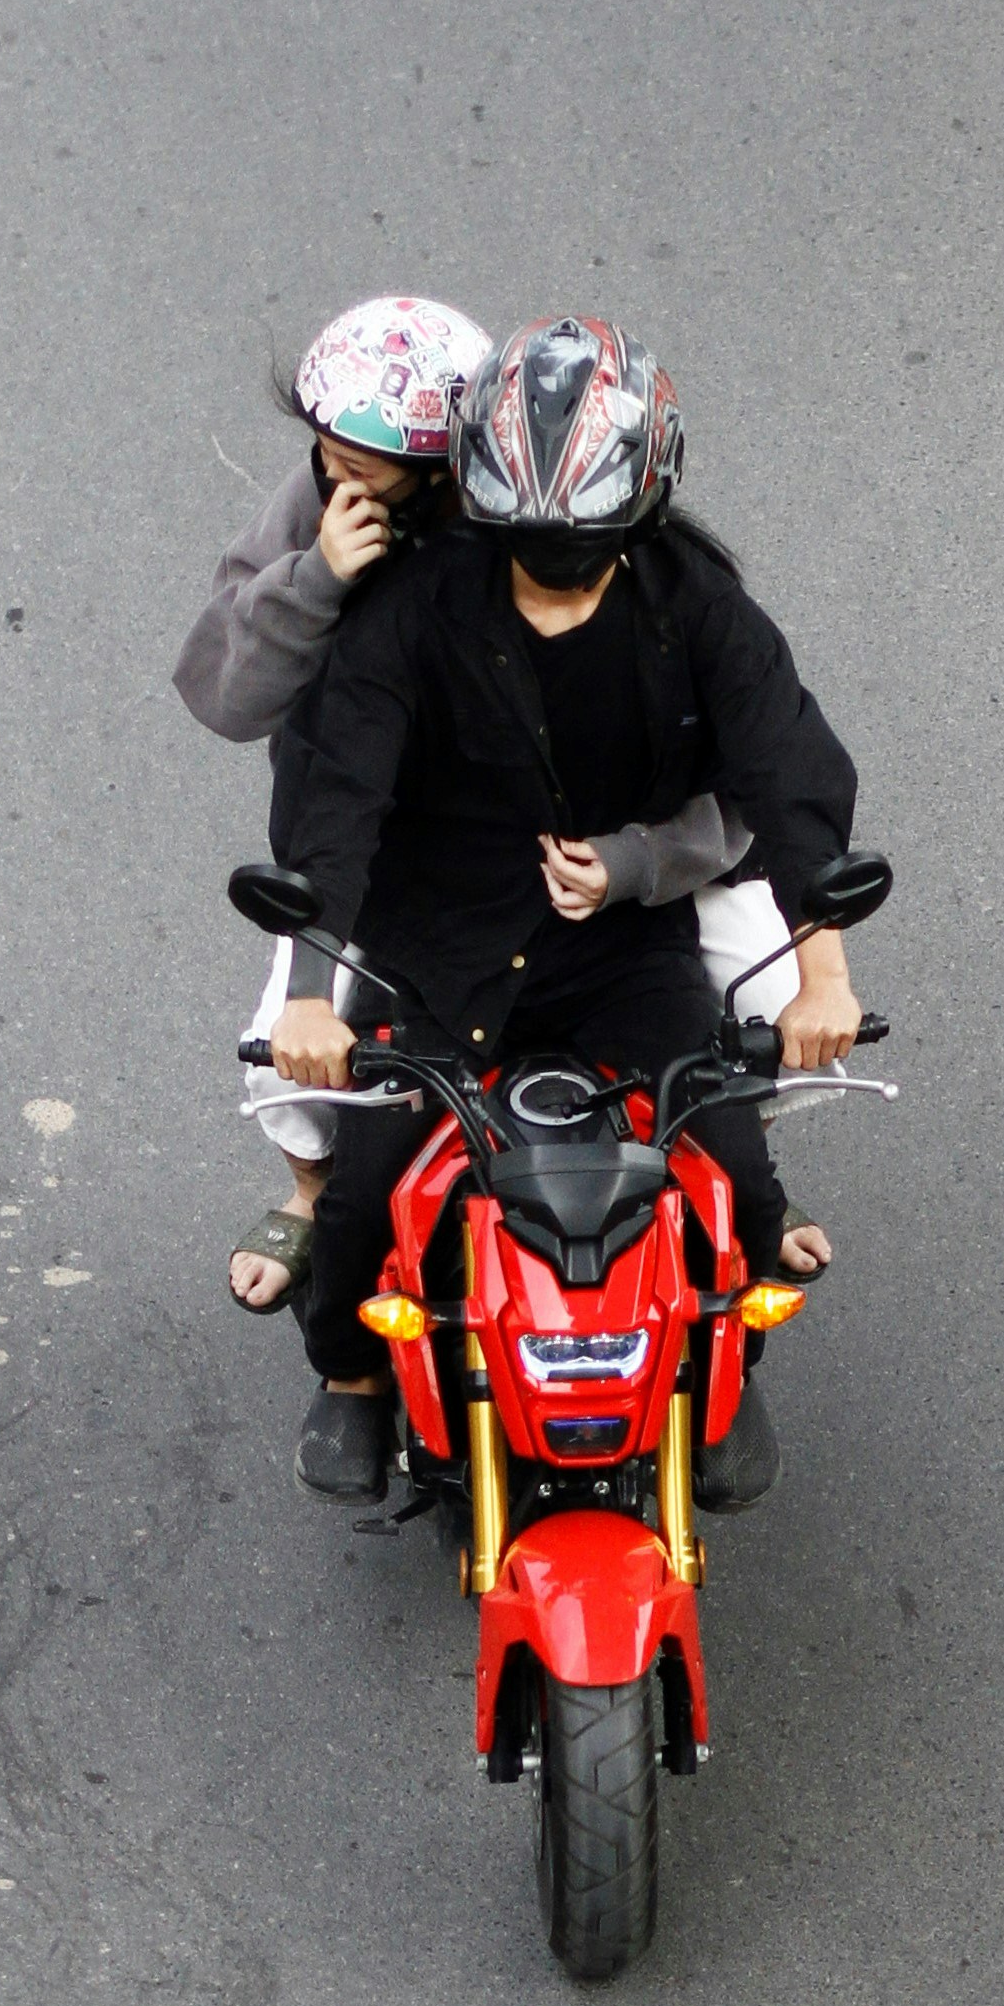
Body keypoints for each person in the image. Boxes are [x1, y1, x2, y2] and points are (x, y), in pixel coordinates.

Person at [266, 316, 865, 1507]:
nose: (553, 561)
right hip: (440, 948)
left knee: (738, 1189)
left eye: (581, 541)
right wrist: (307, 994)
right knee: (363, 1212)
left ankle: (724, 1375)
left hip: (620, 958)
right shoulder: (411, 612)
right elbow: (336, 795)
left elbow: (790, 777)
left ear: (638, 508)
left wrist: (826, 971)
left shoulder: (701, 611)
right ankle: (348, 1384)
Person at [172, 296, 796, 1311]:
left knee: (766, 1015)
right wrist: (317, 579)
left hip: (622, 851)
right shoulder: (321, 499)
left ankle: (731, 1177)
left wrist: (643, 856)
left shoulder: (590, 532)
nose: (336, 471)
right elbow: (226, 697)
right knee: (295, 1071)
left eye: (364, 459)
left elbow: (742, 761)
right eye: (324, 448)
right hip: (404, 850)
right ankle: (312, 1194)